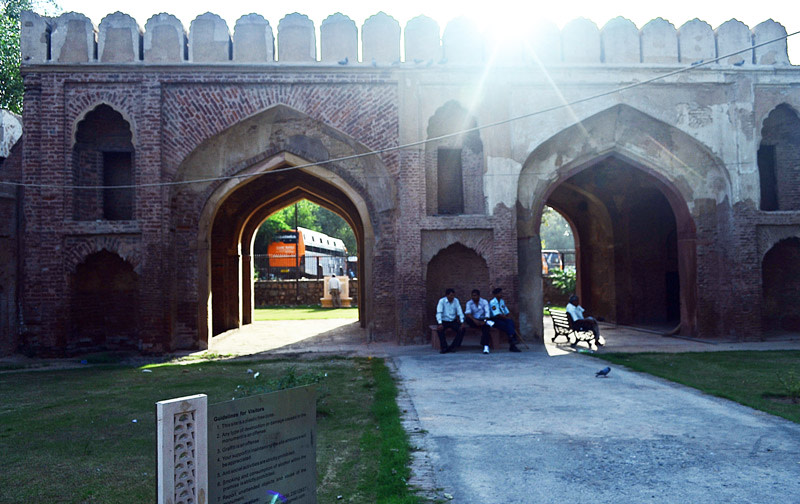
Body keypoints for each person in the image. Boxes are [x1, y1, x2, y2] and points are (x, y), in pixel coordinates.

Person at [488, 288, 521, 352]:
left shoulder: (502, 301)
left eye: (501, 293)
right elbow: (497, 314)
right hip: (494, 319)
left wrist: (508, 316)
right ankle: (512, 341)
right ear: (495, 295)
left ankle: (512, 340)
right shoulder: (492, 302)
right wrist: (506, 318)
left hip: (503, 318)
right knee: (506, 325)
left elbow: (506, 311)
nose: (501, 294)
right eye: (499, 293)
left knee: (510, 322)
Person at [435, 288, 465, 353]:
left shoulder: (456, 301)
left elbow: (460, 311)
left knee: (462, 329)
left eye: (453, 295)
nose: (452, 297)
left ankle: (453, 346)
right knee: (440, 330)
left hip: (453, 321)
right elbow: (439, 312)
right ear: (446, 295)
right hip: (444, 321)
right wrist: (440, 323)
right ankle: (444, 347)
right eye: (451, 295)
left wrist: (462, 322)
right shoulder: (442, 301)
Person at [465, 289, 492, 354]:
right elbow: (468, 313)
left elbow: (487, 313)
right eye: (473, 296)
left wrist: (484, 321)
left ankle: (485, 346)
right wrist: (475, 321)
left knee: (486, 327)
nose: (474, 297)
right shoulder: (469, 303)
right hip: (474, 320)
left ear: (479, 296)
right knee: (467, 319)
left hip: (482, 320)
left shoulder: (484, 302)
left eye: (475, 296)